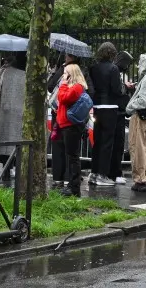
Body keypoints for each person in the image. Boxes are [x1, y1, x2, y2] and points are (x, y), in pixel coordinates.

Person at [88, 43, 125, 186]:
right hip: (110, 107)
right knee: (107, 142)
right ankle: (103, 175)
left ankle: (94, 172)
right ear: (112, 53)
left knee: (97, 141)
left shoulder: (93, 68)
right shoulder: (114, 68)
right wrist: (123, 89)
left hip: (96, 106)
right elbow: (116, 90)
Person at [125, 54, 146, 193]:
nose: (139, 66)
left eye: (140, 63)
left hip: (139, 117)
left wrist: (130, 106)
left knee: (137, 148)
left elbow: (144, 100)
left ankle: (140, 180)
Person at [0, 52, 27, 178]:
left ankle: (5, 171)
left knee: (4, 141)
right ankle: (15, 170)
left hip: (5, 110)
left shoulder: (6, 72)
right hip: (20, 112)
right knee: (17, 143)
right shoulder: (27, 75)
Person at [53, 64, 88, 197]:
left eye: (66, 73)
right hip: (65, 125)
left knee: (73, 157)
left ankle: (74, 187)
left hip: (71, 126)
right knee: (70, 156)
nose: (63, 75)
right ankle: (71, 185)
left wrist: (62, 84)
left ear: (71, 74)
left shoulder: (77, 87)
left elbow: (64, 98)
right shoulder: (71, 87)